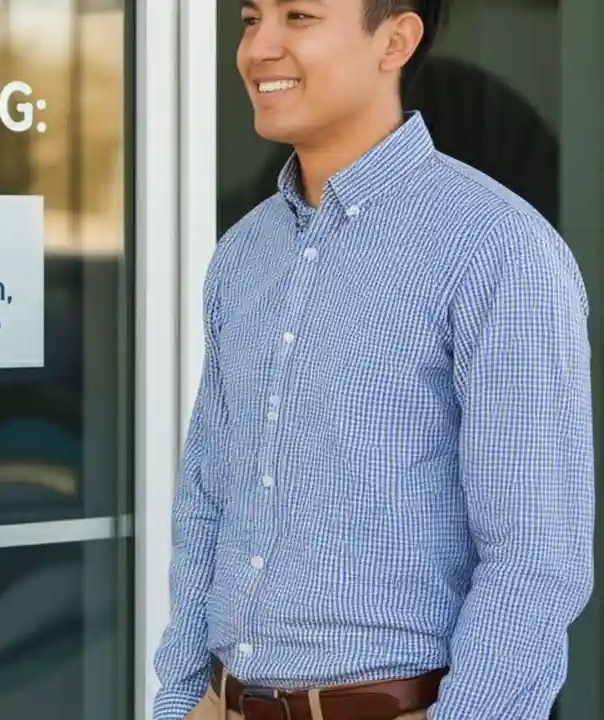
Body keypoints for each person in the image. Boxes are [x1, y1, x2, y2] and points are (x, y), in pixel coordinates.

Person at [153, 1, 595, 719]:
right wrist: (177, 701)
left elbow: (535, 560)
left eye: (298, 17)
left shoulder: (496, 251)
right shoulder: (242, 255)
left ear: (395, 39)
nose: (259, 48)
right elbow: (206, 504)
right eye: (248, 18)